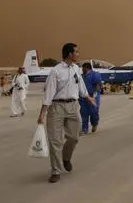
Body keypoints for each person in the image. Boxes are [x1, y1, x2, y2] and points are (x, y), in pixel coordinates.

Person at [37, 43, 95, 183]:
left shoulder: (76, 68)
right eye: (76, 52)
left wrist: (88, 98)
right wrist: (42, 114)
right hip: (57, 107)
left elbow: (80, 86)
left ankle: (66, 158)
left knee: (74, 137)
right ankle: (56, 171)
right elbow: (49, 92)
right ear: (70, 54)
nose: (78, 54)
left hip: (73, 106)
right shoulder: (55, 71)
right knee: (55, 140)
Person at [79, 62, 102, 134]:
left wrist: (95, 95)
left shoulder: (95, 75)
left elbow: (97, 85)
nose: (82, 70)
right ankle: (84, 129)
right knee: (83, 113)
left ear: (87, 68)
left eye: (83, 68)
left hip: (93, 96)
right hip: (84, 97)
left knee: (93, 112)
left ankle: (94, 124)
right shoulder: (82, 76)